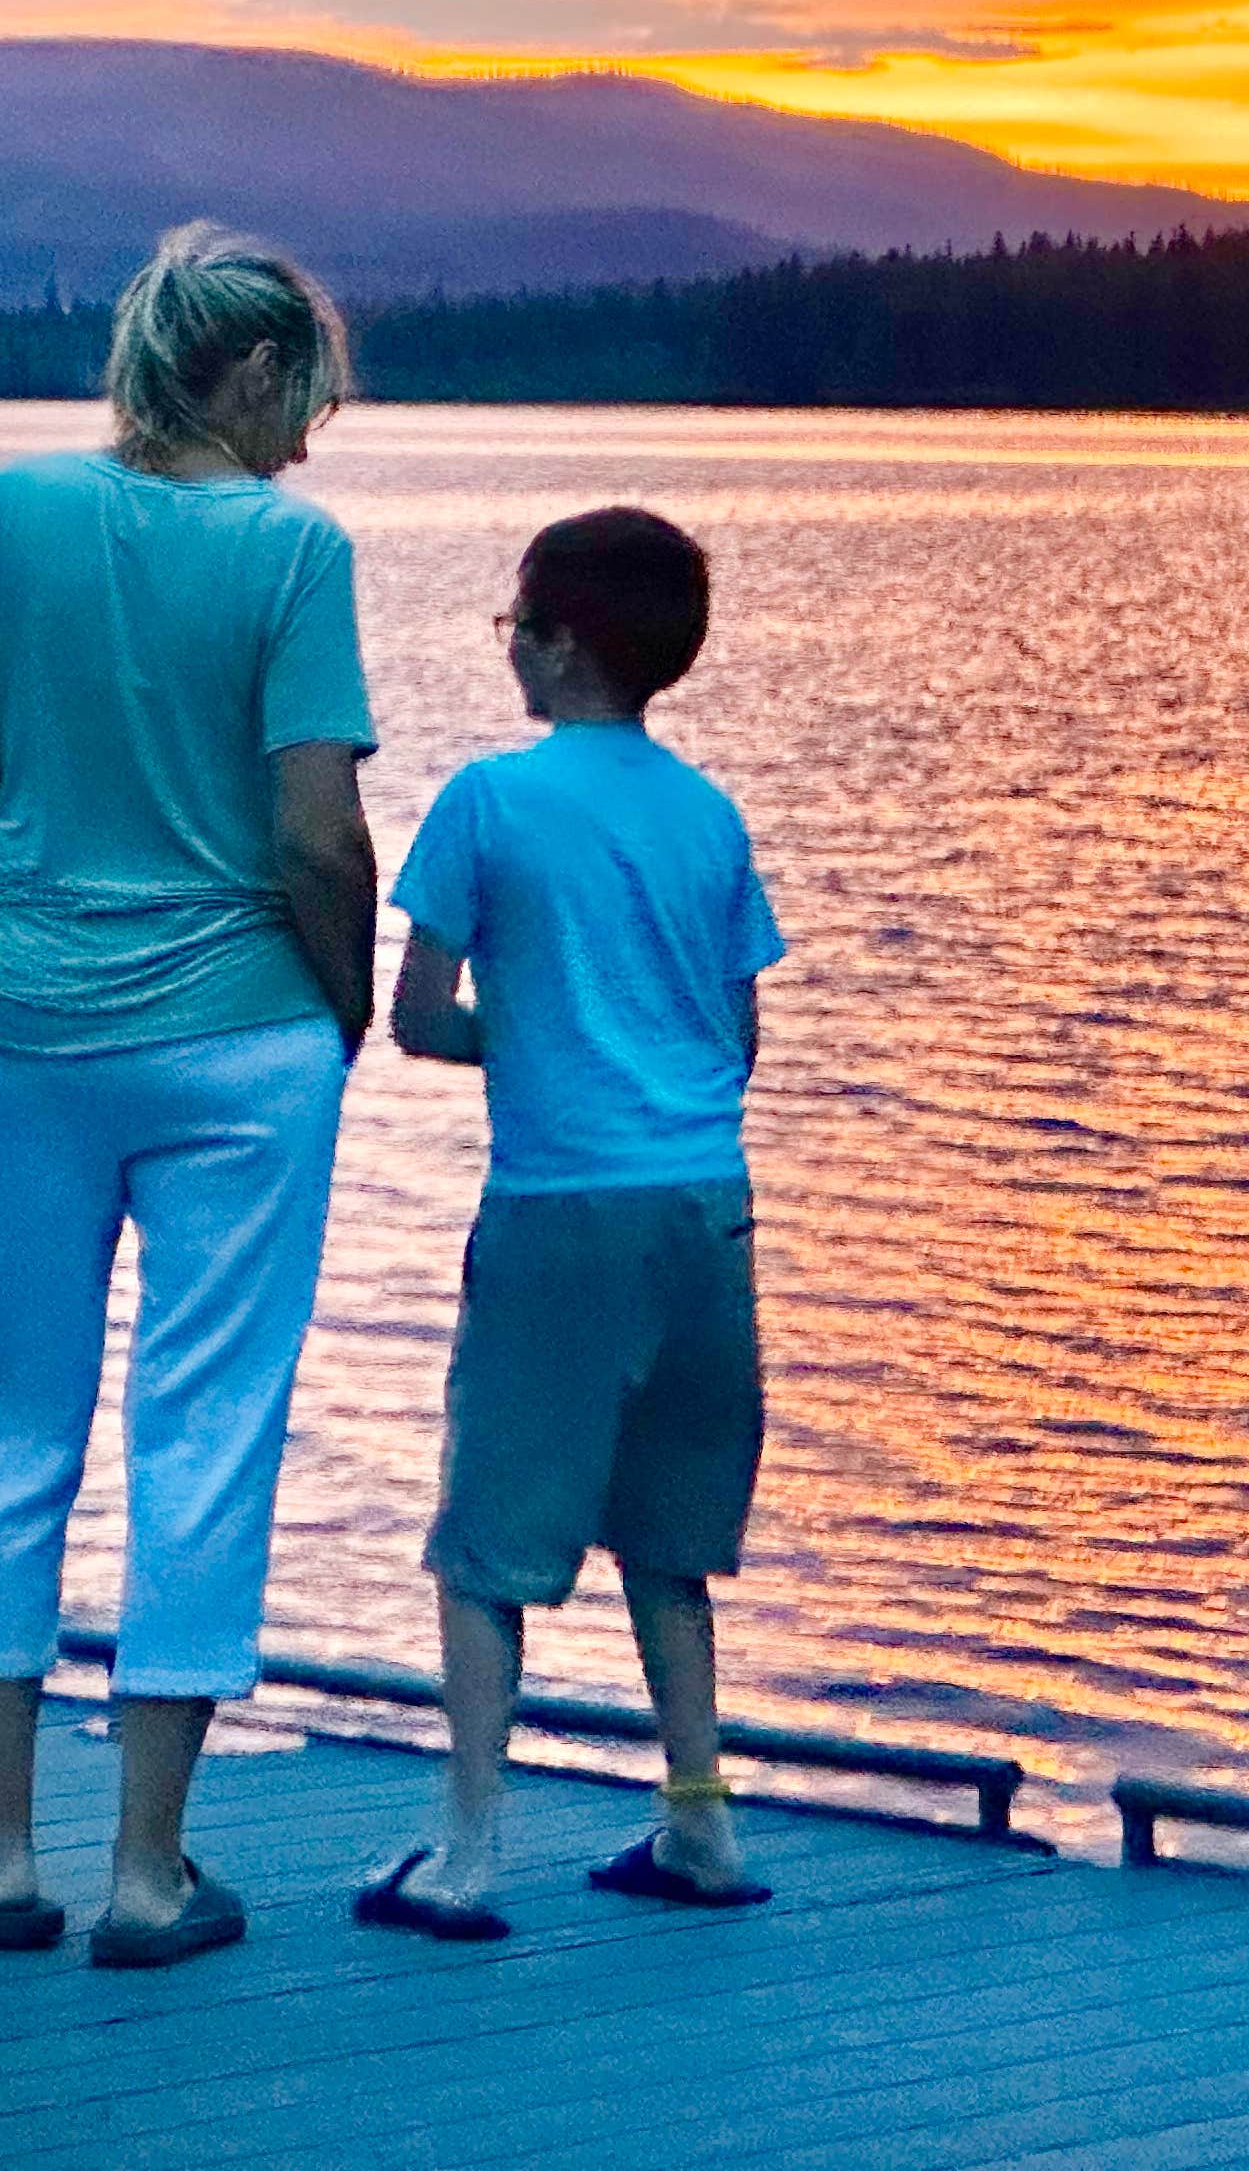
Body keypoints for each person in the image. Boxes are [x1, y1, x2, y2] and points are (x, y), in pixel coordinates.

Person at [0, 224, 378, 1970]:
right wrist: (346, 1003)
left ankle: (4, 1858)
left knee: (12, 1432)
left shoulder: (15, 511)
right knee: (204, 1427)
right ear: (251, 371)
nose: (311, 436)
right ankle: (150, 1874)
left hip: (22, 1027)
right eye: (308, 396)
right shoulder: (292, 549)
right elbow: (316, 834)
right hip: (237, 1042)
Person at [355, 505, 782, 1941]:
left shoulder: (488, 802)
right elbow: (735, 1034)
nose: (510, 649)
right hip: (705, 1207)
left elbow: (418, 1017)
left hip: (559, 1209)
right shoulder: (709, 815)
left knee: (488, 1540)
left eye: (518, 625)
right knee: (670, 1533)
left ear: (562, 643)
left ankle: (468, 1850)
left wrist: (530, 1034)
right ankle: (701, 1822)